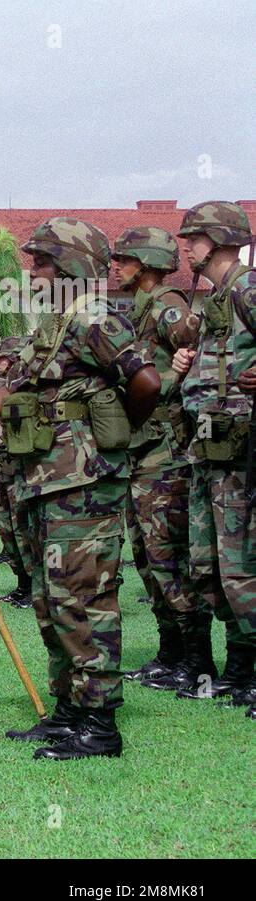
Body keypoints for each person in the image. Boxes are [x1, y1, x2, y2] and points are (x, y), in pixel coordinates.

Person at [0, 217, 161, 760]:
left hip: (83, 484)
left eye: (42, 262)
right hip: (48, 481)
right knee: (51, 598)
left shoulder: (92, 318)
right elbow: (14, 395)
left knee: (84, 598)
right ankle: (69, 709)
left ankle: (99, 726)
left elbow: (147, 381)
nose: (32, 271)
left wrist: (118, 438)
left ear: (71, 266)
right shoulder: (55, 326)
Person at [107, 226, 211, 689]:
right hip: (141, 451)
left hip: (166, 454)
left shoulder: (169, 304)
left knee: (169, 556)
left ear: (145, 264)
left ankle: (197, 660)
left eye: (124, 258)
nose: (116, 265)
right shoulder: (141, 309)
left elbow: (201, 346)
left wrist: (176, 372)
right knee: (148, 558)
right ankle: (170, 653)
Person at [170, 201, 256, 708]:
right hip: (208, 451)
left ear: (220, 238)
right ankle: (241, 666)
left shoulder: (247, 288)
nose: (186, 246)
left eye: (193, 236)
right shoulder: (216, 299)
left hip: (241, 453)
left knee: (242, 560)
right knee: (211, 564)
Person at [0, 337, 32, 607]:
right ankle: (22, 584)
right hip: (4, 467)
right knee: (7, 528)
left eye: (2, 357)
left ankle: (33, 587)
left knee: (24, 528)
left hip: (20, 469)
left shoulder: (23, 385)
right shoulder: (2, 386)